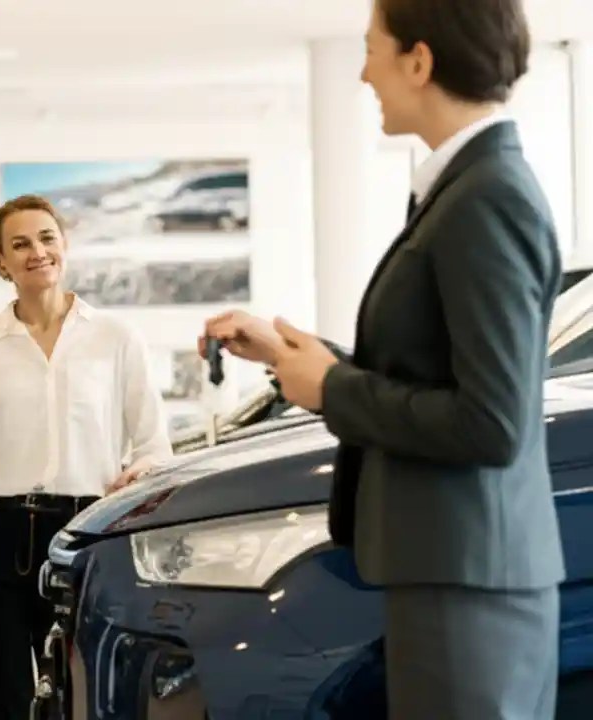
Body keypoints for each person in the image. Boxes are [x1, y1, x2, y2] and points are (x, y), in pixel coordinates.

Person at [203, 1, 563, 717]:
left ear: (420, 61)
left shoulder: (486, 197)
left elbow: (492, 422)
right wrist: (294, 358)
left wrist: (333, 389)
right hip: (454, 573)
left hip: (470, 582)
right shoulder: (465, 191)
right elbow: (434, 373)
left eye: (372, 51)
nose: (364, 73)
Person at [0, 194, 173, 719]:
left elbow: (154, 444)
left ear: (64, 246)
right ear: (1, 261)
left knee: (84, 696)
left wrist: (138, 473)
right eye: (19, 244)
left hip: (87, 532)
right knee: (3, 699)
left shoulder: (116, 338)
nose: (36, 252)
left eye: (47, 238)